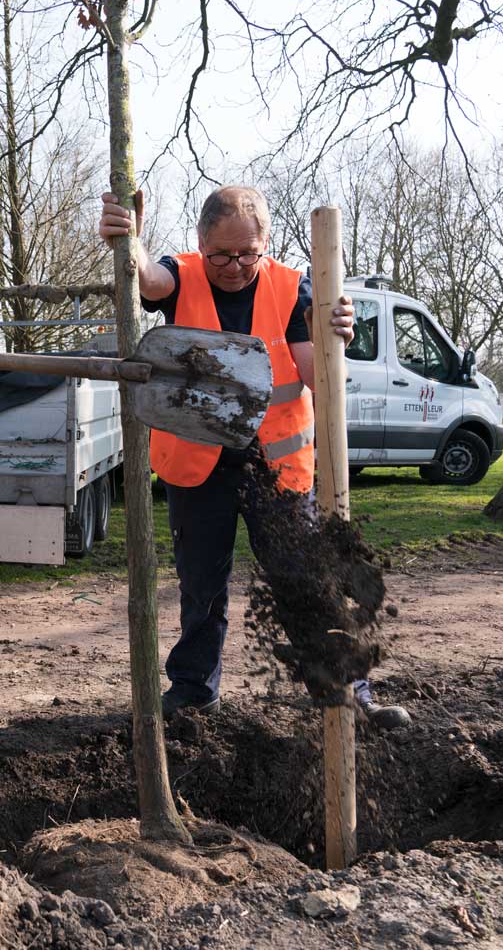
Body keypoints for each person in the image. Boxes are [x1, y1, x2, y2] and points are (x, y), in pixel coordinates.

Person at [98, 185, 410, 731]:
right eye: (221, 254)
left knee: (306, 582)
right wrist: (132, 242)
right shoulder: (183, 273)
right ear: (201, 243)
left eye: (248, 253)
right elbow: (147, 280)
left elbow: (315, 376)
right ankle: (194, 692)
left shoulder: (294, 289)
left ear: (265, 243)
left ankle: (347, 690)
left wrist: (332, 336)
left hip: (276, 470)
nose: (235, 266)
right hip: (200, 469)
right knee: (202, 590)